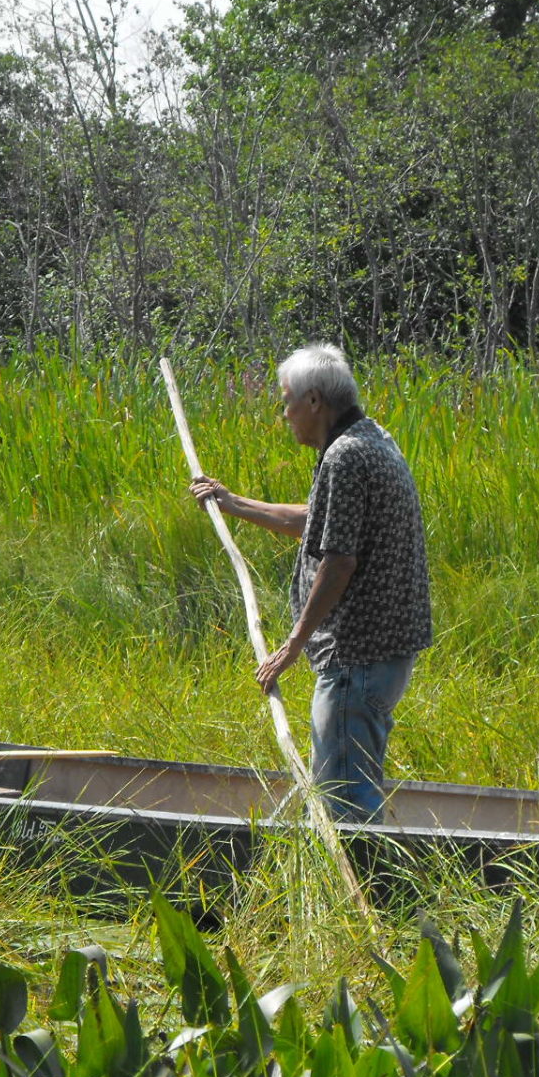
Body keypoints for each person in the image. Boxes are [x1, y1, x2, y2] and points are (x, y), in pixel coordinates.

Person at [190, 344, 431, 822]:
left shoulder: (345, 457)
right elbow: (318, 520)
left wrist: (293, 644)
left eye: (287, 401)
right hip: (383, 653)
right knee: (352, 785)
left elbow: (339, 561)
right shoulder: (372, 438)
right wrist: (232, 502)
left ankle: (359, 893)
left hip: (356, 657)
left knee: (344, 803)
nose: (285, 414)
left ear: (315, 401)